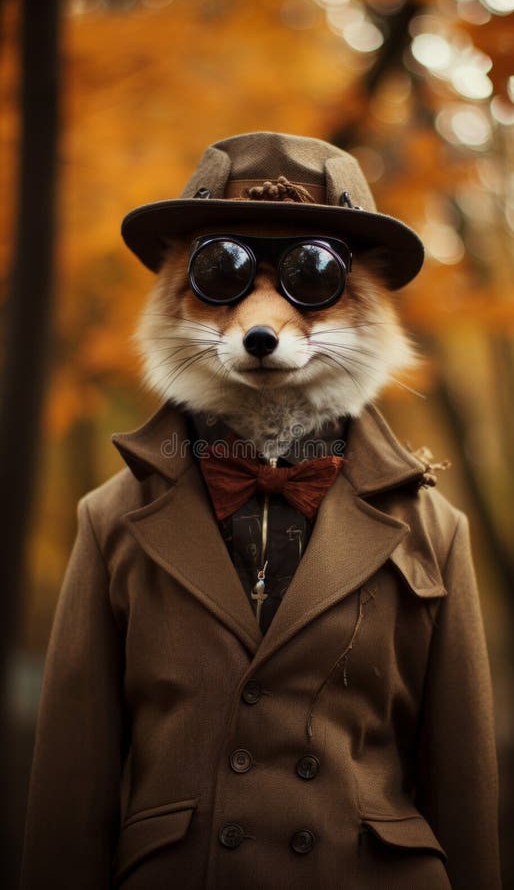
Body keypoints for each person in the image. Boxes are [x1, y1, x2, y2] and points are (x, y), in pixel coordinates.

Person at [20, 132, 501, 890]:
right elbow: (69, 792)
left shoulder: (433, 530)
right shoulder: (110, 520)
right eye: (221, 272)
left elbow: (465, 784)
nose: (262, 319)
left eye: (314, 274)